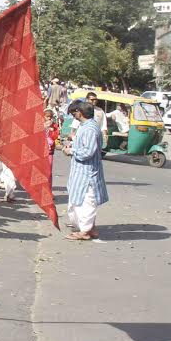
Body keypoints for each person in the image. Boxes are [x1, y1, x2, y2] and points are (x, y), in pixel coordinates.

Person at [64, 99, 109, 241]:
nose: (73, 116)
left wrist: (71, 151)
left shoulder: (89, 128)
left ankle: (85, 232)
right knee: (81, 199)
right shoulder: (86, 126)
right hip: (80, 171)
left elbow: (88, 152)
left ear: (79, 113)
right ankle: (90, 228)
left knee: (86, 201)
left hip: (87, 172)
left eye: (73, 113)